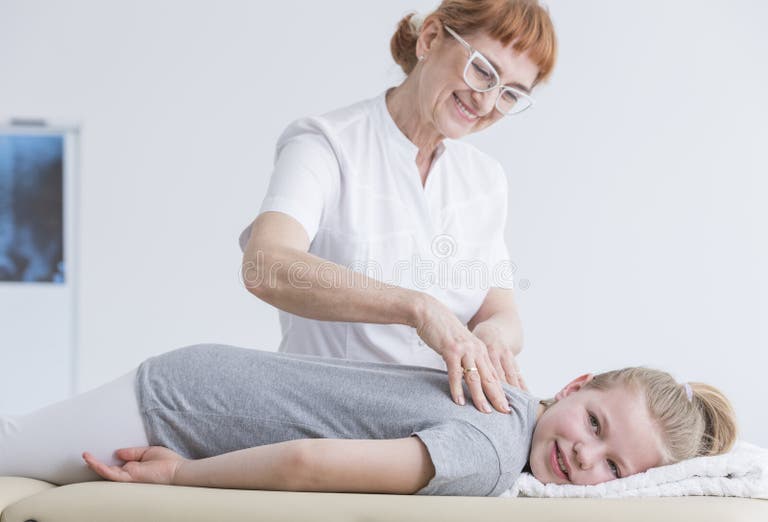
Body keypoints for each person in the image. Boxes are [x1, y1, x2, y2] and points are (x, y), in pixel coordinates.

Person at [238, 0, 557, 415]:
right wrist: (417, 309)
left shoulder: (485, 179)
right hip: (320, 417)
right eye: (483, 71)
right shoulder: (327, 144)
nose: (486, 102)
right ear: (430, 38)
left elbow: (501, 311)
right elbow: (265, 265)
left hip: (435, 421)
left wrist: (495, 335)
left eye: (510, 94)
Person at [0, 344, 737, 496]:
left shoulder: (511, 403)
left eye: (613, 467)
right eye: (597, 425)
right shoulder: (490, 448)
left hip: (201, 384)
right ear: (574, 385)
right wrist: (181, 473)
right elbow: (308, 465)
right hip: (184, 409)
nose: (584, 456)